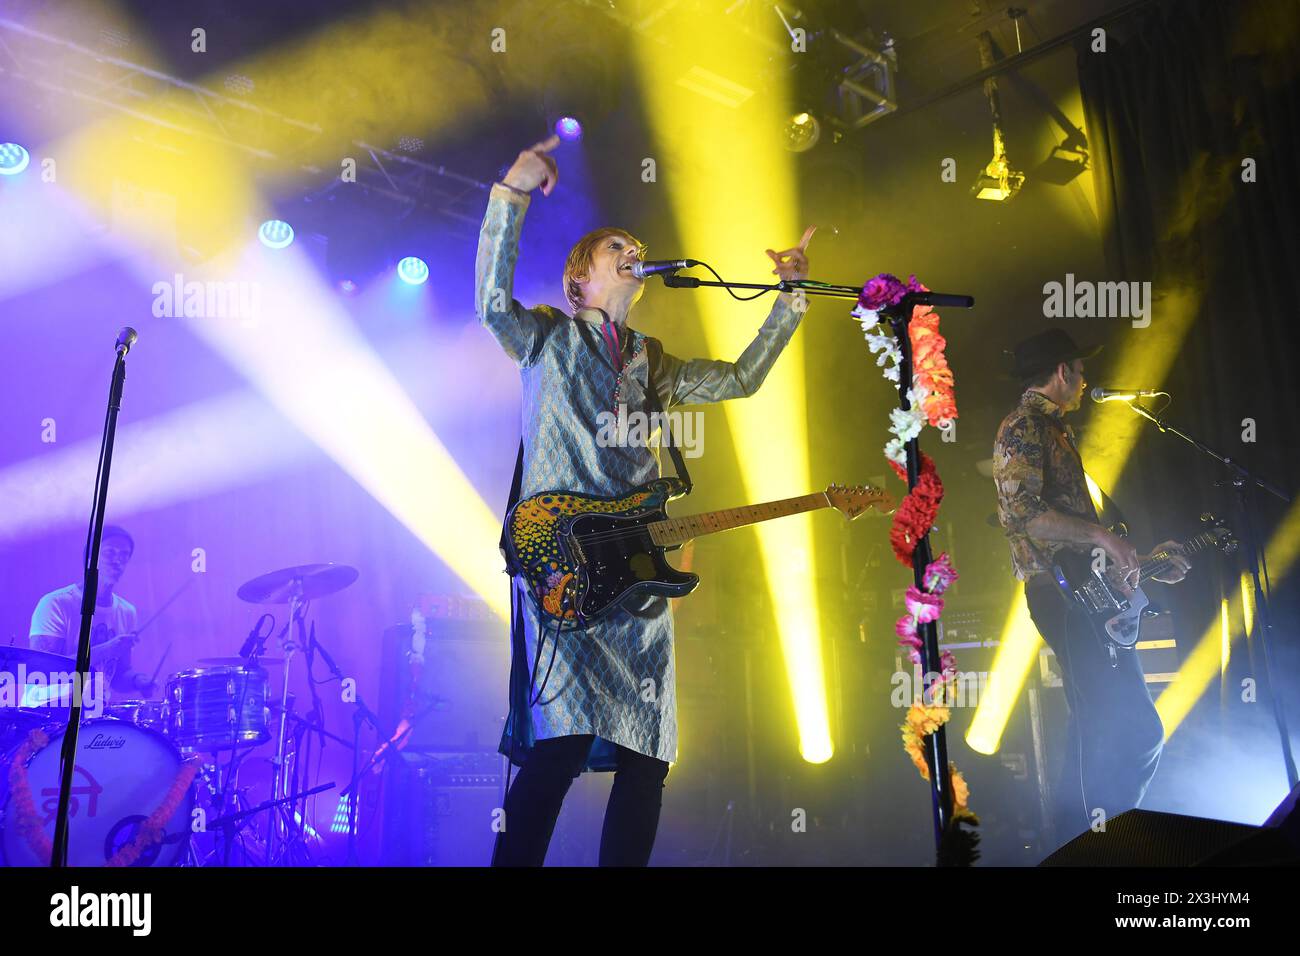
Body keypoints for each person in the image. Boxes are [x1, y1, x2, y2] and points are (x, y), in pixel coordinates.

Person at [478, 134, 814, 865]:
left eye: (637, 247)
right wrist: (512, 188)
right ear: (582, 281)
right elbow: (489, 304)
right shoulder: (547, 339)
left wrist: (789, 299)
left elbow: (741, 379)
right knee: (559, 748)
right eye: (616, 249)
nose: (634, 253)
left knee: (648, 760)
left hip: (635, 575)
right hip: (564, 559)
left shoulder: (652, 360)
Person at [992, 329, 1191, 846]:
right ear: (1063, 371)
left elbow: (1080, 541)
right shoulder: (1023, 428)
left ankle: (1092, 842)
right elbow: (1023, 514)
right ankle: (1088, 843)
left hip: (1086, 594)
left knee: (1114, 727)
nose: (1085, 382)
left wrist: (1140, 563)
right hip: (1059, 599)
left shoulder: (1056, 432)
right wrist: (1104, 535)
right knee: (1116, 728)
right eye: (1081, 371)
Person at [29, 525, 154, 699]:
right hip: (47, 710)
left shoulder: (127, 612)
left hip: (92, 712)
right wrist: (107, 649)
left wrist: (137, 680)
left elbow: (118, 676)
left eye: (124, 555)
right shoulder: (56, 603)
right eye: (110, 553)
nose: (117, 561)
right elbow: (42, 671)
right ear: (90, 557)